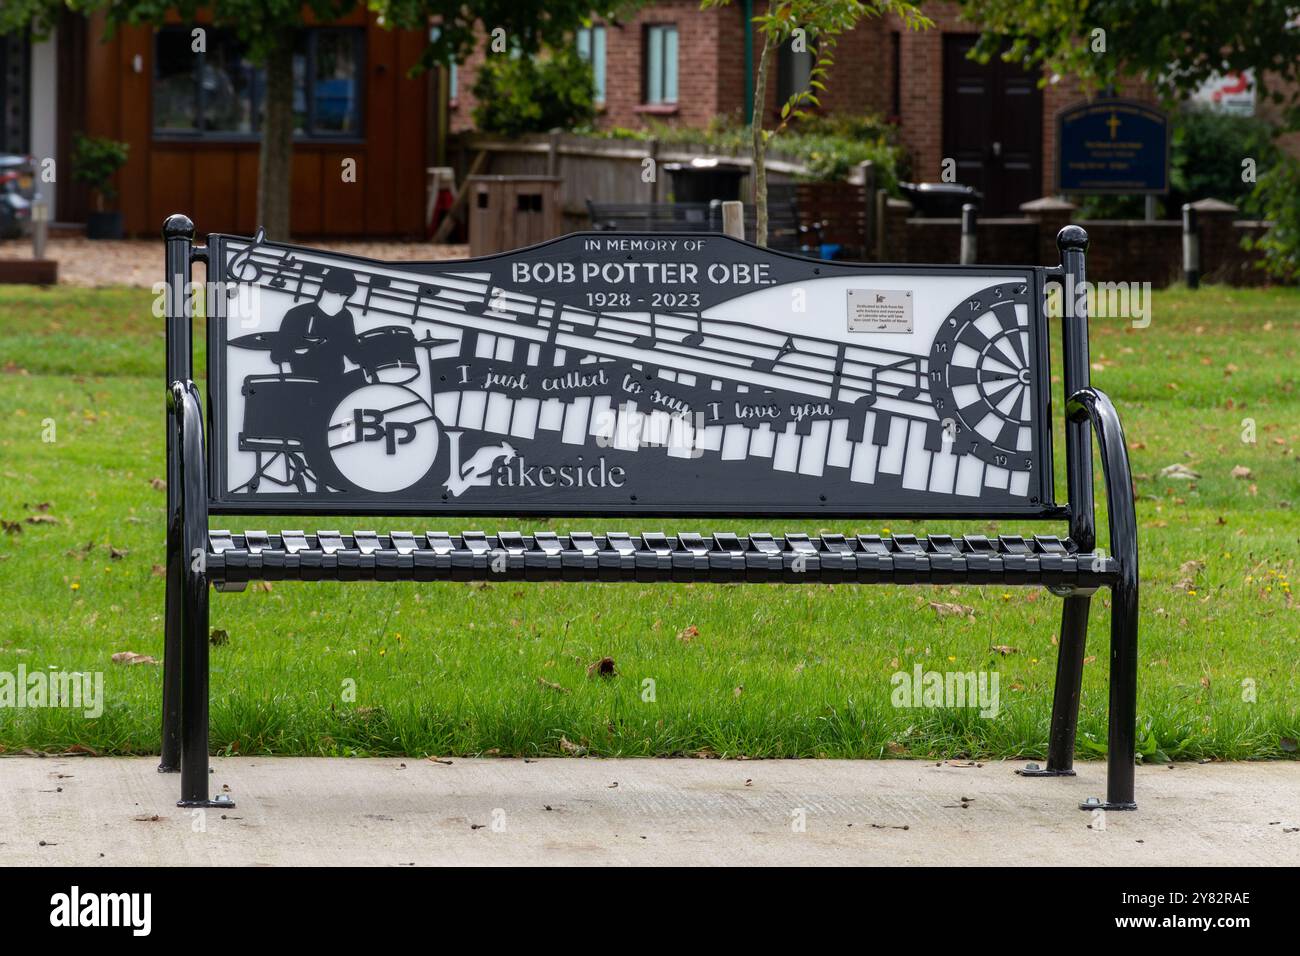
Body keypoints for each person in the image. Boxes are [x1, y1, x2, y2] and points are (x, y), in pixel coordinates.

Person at [270, 267, 360, 381]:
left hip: (335, 381)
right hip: (303, 381)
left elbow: (353, 353)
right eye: (333, 293)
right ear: (324, 289)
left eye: (344, 296)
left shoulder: (345, 317)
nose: (339, 299)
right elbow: (277, 355)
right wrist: (297, 350)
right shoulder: (297, 314)